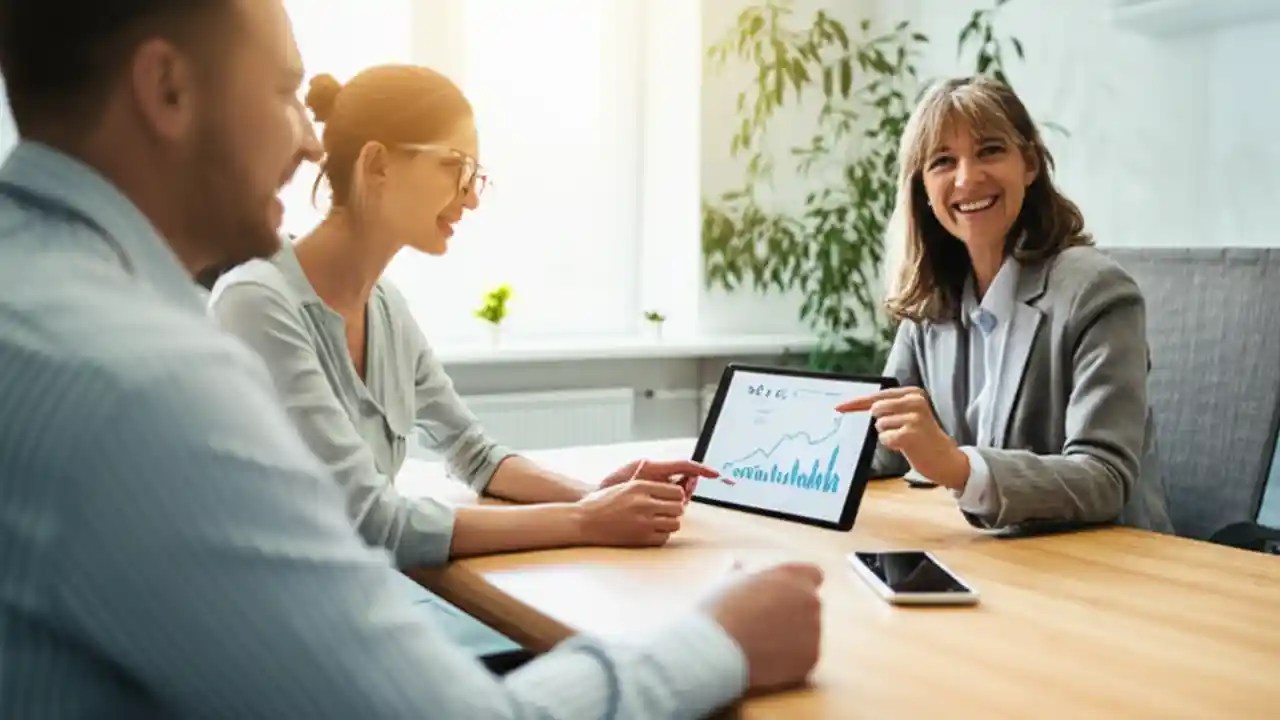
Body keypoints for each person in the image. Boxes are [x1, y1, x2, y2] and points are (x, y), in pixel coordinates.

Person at [0, 1, 824, 717]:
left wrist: (596, 496)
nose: (303, 139)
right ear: (168, 89)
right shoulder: (148, 383)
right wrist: (718, 641)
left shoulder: (45, 307)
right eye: (287, 92)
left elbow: (467, 450)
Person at [206, 64, 717, 664]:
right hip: (268, 648)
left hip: (351, 613)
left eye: (476, 175)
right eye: (456, 167)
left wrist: (603, 496)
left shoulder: (386, 307)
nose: (471, 196)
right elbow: (370, 520)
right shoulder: (257, 303)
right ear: (377, 164)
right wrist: (584, 520)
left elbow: (474, 454)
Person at [837, 77, 1173, 535]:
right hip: (998, 557)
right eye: (942, 161)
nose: (967, 177)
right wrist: (733, 454)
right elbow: (885, 445)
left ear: (1029, 163)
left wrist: (959, 467)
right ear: (923, 188)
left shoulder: (1097, 291)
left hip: (1106, 563)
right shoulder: (934, 299)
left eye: (990, 150)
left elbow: (1105, 478)